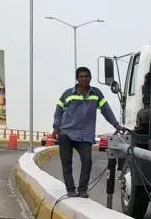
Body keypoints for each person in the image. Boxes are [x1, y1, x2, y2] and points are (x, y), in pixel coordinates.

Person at [53, 66, 126, 198]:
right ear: (77, 78)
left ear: (90, 78)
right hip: (66, 133)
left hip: (85, 135)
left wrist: (116, 125)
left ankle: (82, 189)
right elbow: (58, 111)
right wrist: (56, 127)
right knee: (66, 162)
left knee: (87, 161)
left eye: (87, 76)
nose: (84, 79)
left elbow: (106, 110)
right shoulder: (68, 94)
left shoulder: (96, 94)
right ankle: (70, 189)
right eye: (81, 76)